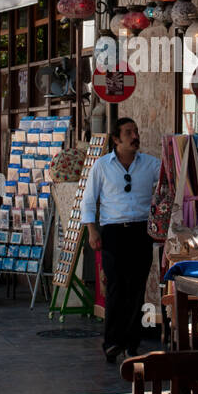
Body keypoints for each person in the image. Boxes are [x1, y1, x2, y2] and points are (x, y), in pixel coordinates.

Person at [80, 117, 161, 363]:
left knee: (137, 289)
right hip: (113, 232)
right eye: (128, 132)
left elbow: (172, 181)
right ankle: (112, 342)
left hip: (140, 232)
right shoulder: (102, 166)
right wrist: (92, 231)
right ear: (116, 139)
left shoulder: (151, 164)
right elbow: (88, 199)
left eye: (135, 131)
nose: (134, 136)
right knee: (116, 287)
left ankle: (132, 344)